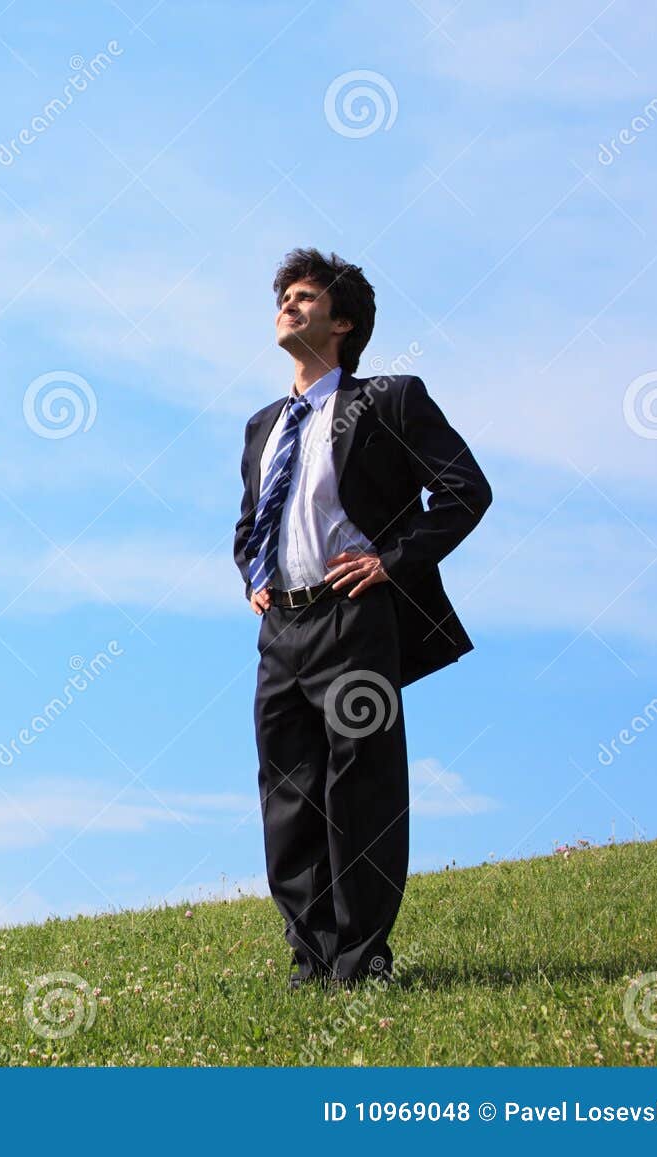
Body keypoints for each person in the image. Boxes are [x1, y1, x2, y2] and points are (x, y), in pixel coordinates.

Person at [233, 247, 493, 989]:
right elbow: (250, 522)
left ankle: (363, 963)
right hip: (281, 632)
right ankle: (311, 962)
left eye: (304, 296)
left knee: (361, 789)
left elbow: (465, 489)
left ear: (343, 322)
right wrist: (253, 574)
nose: (287, 305)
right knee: (288, 797)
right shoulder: (261, 427)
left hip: (355, 619)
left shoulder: (389, 399)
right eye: (283, 295)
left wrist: (392, 560)